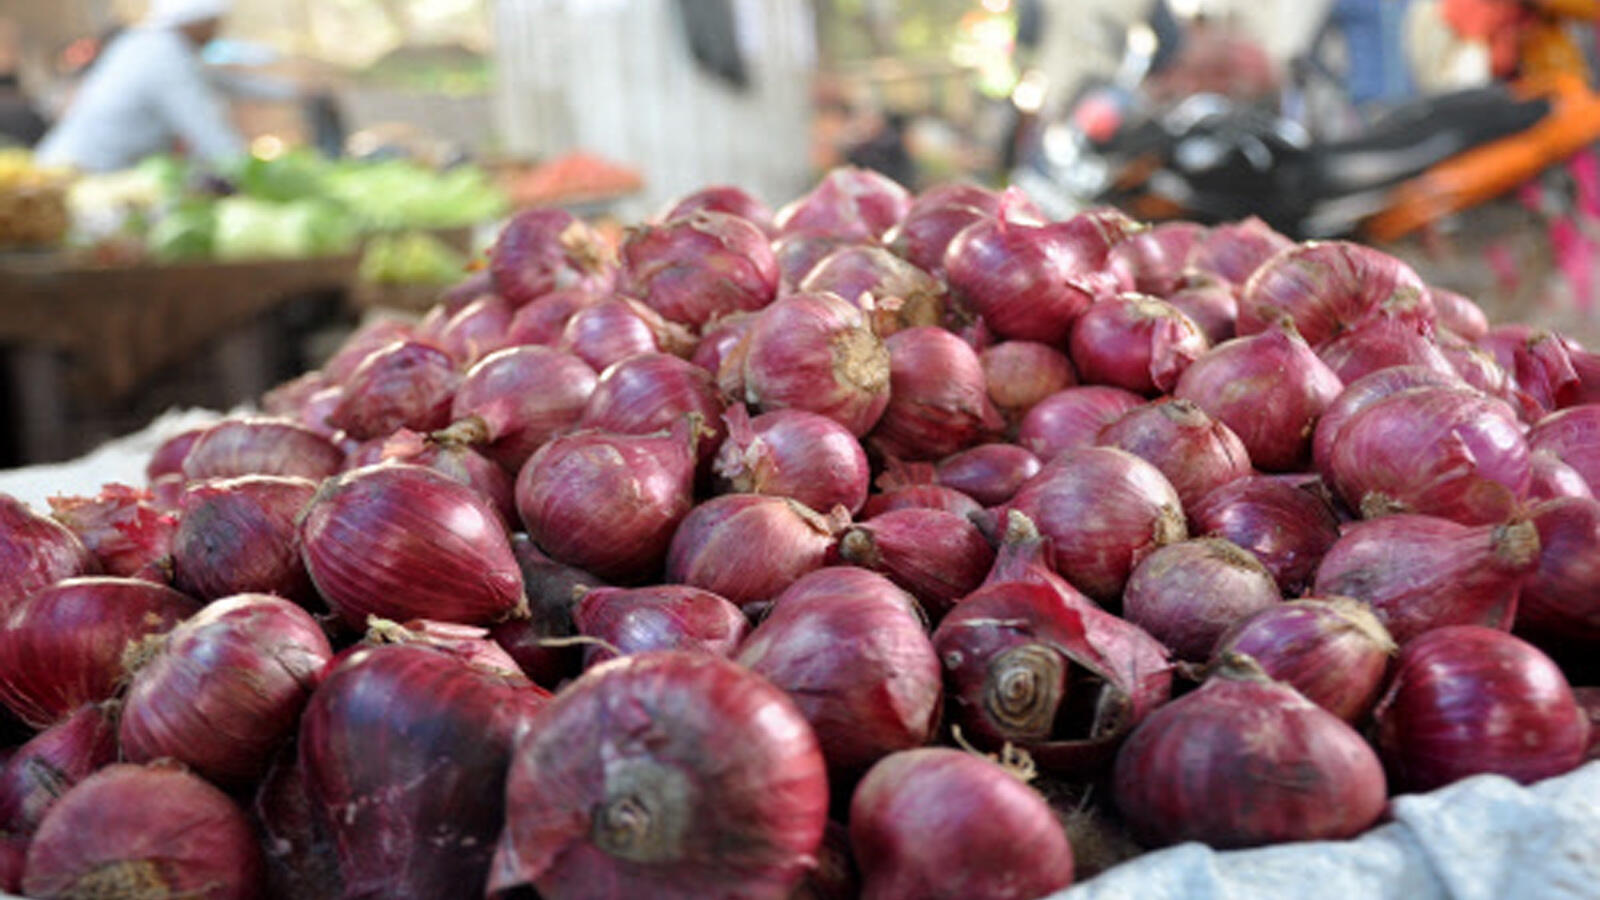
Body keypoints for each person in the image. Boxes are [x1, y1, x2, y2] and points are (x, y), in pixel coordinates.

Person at [35, 0, 245, 172]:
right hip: (84, 176)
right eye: (215, 23)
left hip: (73, 167)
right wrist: (253, 176)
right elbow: (211, 137)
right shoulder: (164, 56)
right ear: (197, 21)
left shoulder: (146, 43)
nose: (216, 32)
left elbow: (215, 79)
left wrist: (276, 90)